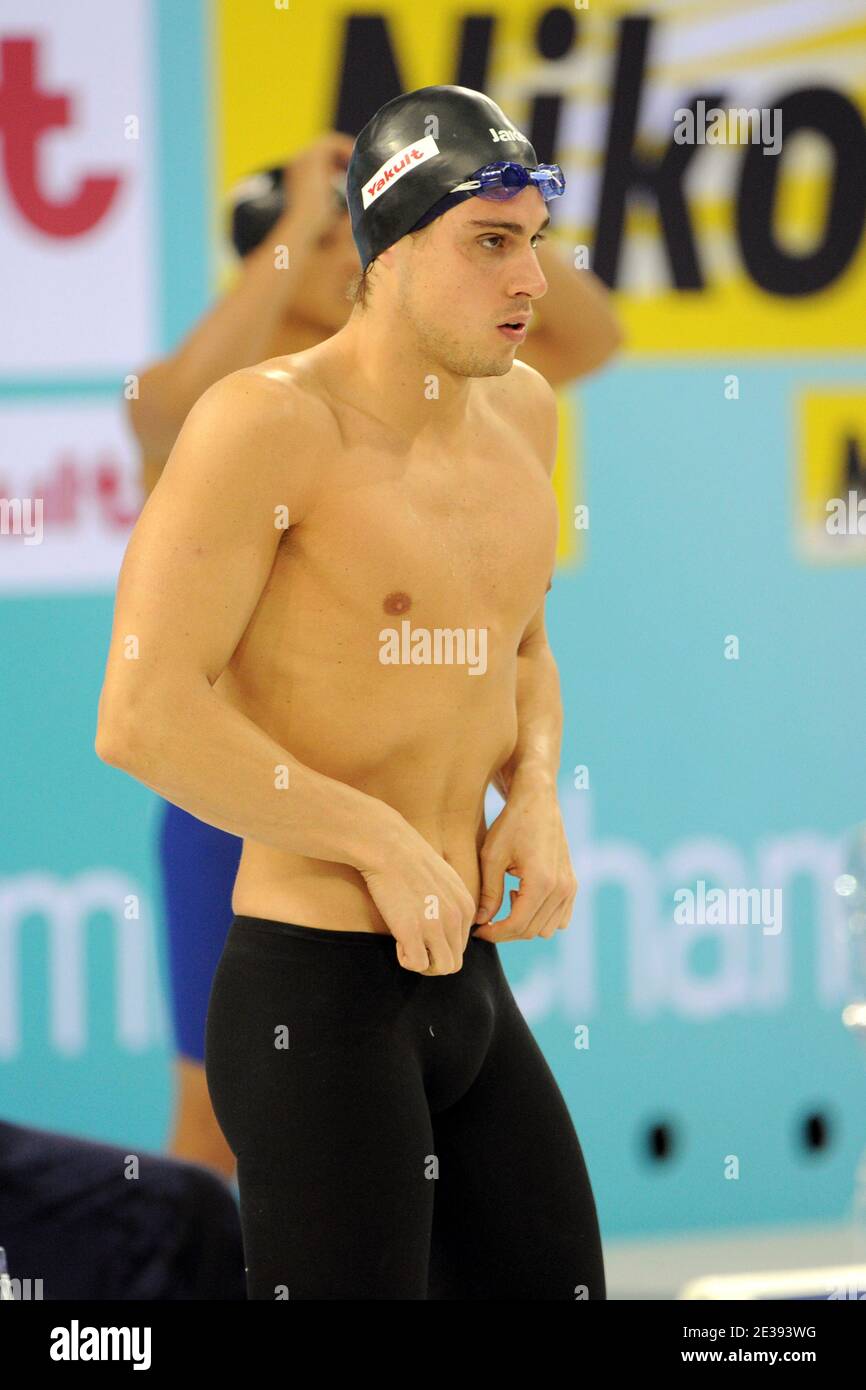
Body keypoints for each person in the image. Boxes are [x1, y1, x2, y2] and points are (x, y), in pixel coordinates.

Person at [102, 83, 608, 1298]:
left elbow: (522, 650)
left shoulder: (517, 413)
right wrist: (370, 834)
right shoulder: (265, 425)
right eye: (488, 245)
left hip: (466, 983)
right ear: (383, 249)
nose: (528, 281)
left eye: (530, 243)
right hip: (313, 988)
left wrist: (533, 790)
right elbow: (142, 712)